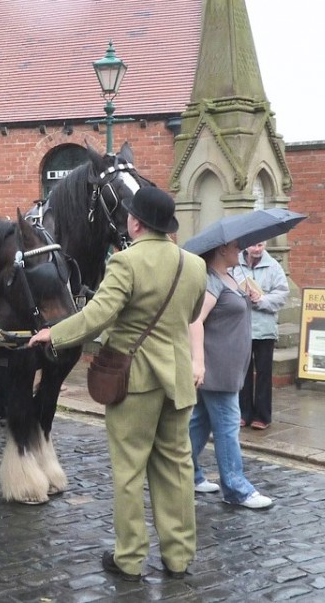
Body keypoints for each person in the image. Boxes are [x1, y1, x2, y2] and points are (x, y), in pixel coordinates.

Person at [28, 187, 207, 582]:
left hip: (135, 381)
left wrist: (53, 334)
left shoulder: (126, 263)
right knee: (177, 469)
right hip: (177, 381)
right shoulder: (194, 265)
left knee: (129, 471)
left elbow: (97, 316)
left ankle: (129, 558)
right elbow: (191, 314)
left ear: (137, 222)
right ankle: (178, 558)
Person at [188, 240, 274, 509]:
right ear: (222, 250)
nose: (241, 251)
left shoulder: (231, 277)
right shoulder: (211, 281)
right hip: (217, 368)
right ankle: (236, 489)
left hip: (229, 367)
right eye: (236, 247)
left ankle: (184, 473)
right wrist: (198, 363)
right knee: (227, 427)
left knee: (199, 423)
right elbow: (195, 321)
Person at [234, 242, 289, 429]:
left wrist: (261, 299)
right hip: (242, 328)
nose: (257, 249)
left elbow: (282, 295)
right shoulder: (235, 265)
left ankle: (262, 416)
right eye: (253, 245)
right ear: (246, 247)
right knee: (243, 373)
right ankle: (244, 413)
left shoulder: (274, 266)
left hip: (264, 329)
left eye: (260, 245)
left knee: (264, 373)